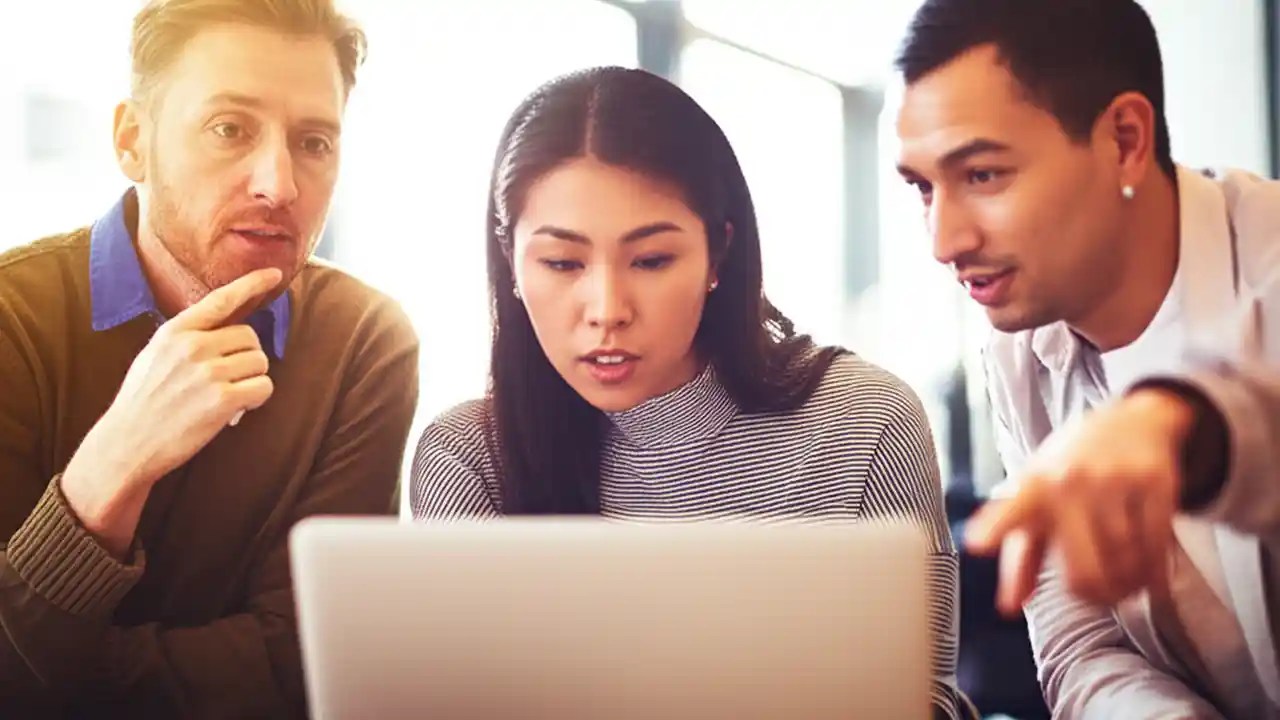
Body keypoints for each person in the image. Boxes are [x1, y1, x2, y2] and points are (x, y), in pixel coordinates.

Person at [410, 65, 962, 718]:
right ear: (511, 261)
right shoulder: (470, 459)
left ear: (717, 255)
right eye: (562, 263)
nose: (607, 310)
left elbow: (923, 701)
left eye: (651, 260)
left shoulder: (862, 420)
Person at [0, 1, 419, 716]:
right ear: (133, 140)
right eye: (230, 129)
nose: (279, 185)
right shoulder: (13, 320)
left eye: (314, 142)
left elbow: (305, 664)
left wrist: (59, 678)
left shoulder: (364, 342)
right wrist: (115, 463)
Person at [893, 0, 1280, 717]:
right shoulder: (1016, 354)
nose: (944, 243)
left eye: (983, 174)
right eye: (922, 187)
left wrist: (1178, 425)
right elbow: (1081, 648)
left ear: (1125, 140)